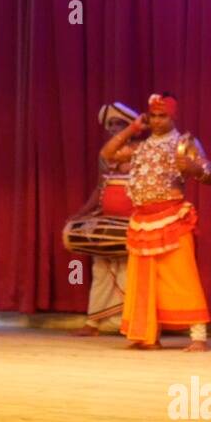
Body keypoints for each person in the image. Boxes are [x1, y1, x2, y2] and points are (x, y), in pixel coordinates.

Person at [100, 93, 211, 351]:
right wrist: (132, 128)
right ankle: (148, 335)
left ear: (173, 116)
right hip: (142, 221)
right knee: (144, 282)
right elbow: (107, 154)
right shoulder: (140, 147)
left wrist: (194, 168)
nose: (157, 121)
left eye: (163, 116)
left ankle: (198, 336)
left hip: (173, 218)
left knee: (182, 277)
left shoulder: (185, 144)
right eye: (153, 116)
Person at [67, 102, 138, 336]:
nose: (115, 128)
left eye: (120, 124)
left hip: (135, 222)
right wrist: (82, 212)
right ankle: (94, 323)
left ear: (132, 126)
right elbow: (100, 188)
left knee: (130, 273)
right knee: (101, 271)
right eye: (112, 125)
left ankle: (133, 322)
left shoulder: (143, 151)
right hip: (107, 222)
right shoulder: (106, 155)